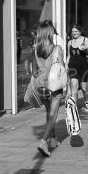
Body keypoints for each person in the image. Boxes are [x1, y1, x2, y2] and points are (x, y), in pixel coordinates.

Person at [32, 20, 66, 157]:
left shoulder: (36, 50)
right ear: (49, 33)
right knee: (54, 114)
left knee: (48, 113)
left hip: (41, 84)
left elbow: (34, 69)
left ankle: (53, 139)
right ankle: (44, 141)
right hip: (54, 85)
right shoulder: (57, 48)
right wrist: (67, 85)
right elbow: (62, 68)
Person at [66, 24, 88, 113]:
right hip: (73, 67)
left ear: (80, 31)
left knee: (84, 88)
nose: (74, 33)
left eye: (76, 31)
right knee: (74, 85)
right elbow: (69, 55)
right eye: (73, 31)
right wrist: (66, 65)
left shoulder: (85, 40)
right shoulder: (70, 42)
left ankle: (87, 103)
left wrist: (85, 48)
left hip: (85, 67)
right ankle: (74, 108)